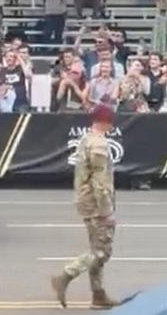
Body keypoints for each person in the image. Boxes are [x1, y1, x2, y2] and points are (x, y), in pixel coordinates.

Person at [51, 104, 120, 310]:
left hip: (85, 200)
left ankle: (98, 295)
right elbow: (100, 181)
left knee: (95, 249)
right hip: (97, 204)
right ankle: (66, 275)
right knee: (102, 252)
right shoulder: (99, 145)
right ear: (106, 121)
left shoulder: (86, 140)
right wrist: (106, 209)